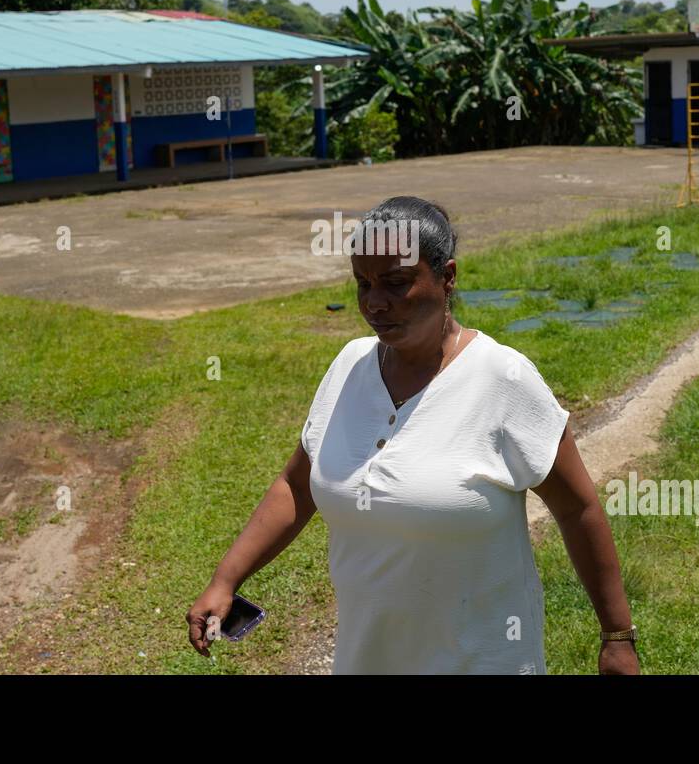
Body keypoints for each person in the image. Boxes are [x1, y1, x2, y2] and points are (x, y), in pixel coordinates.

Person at [187, 195, 638, 674]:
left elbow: (577, 507)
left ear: (447, 277)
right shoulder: (349, 368)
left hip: (482, 660)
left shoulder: (502, 379)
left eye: (396, 283)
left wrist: (617, 636)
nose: (374, 303)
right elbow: (298, 486)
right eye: (363, 283)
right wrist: (225, 578)